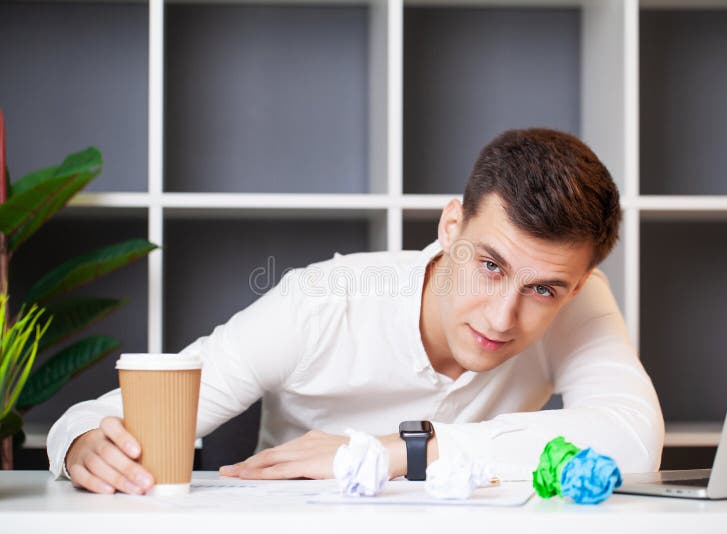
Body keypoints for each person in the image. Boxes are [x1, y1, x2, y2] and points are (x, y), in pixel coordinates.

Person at [47, 128, 664, 495]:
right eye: (491, 265)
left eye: (545, 291)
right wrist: (79, 444)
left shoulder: (573, 295)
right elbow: (102, 417)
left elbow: (633, 441)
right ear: (452, 227)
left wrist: (398, 451)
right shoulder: (320, 302)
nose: (504, 317)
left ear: (577, 286)